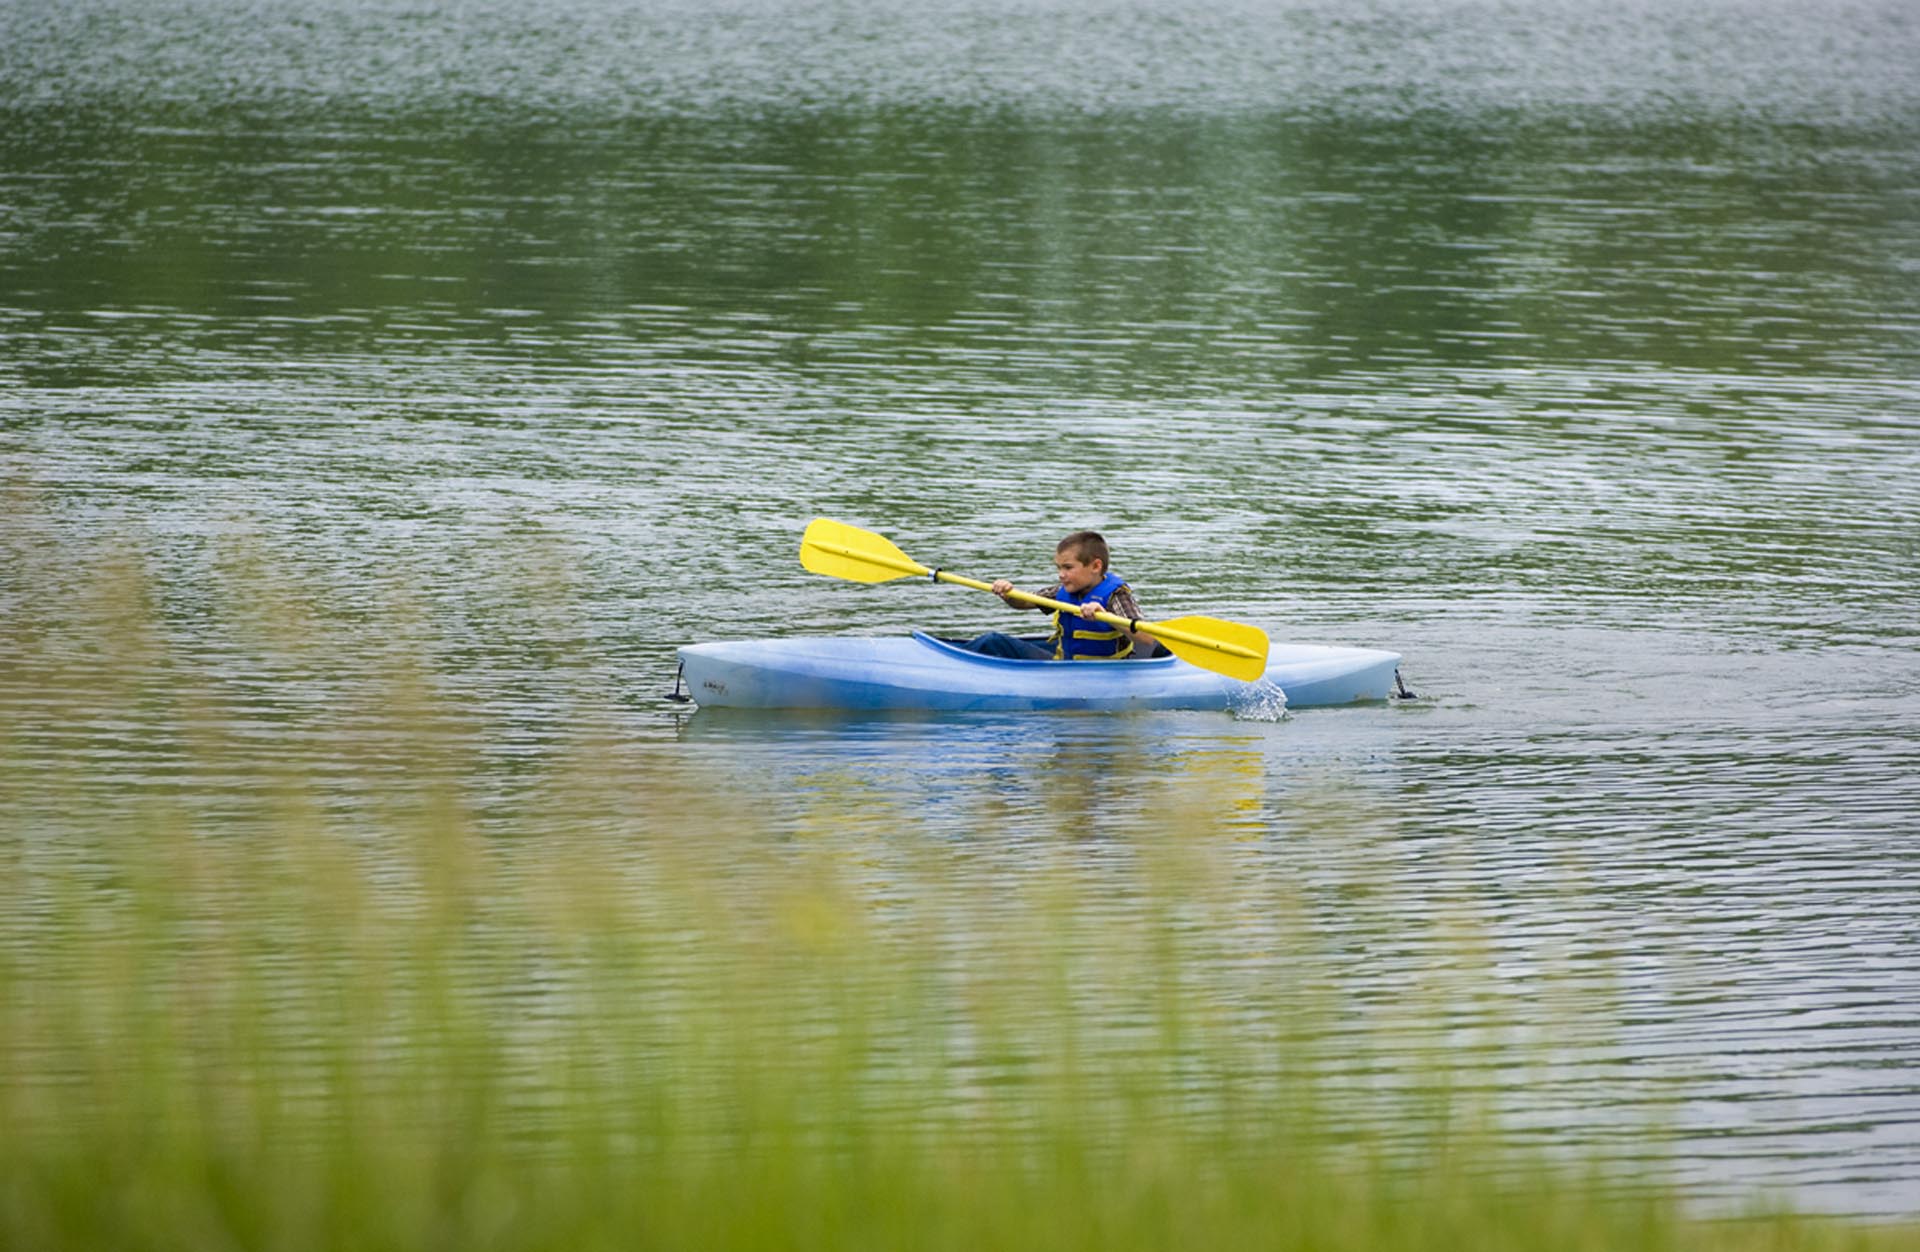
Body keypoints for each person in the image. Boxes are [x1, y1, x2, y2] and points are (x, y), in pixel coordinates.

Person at [961, 531, 1158, 660]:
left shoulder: (1116, 595)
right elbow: (1023, 603)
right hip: (1064, 666)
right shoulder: (1064, 590)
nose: (1061, 574)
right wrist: (1007, 593)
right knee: (994, 641)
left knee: (992, 642)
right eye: (1059, 567)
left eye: (1068, 567)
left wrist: (1106, 614)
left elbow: (1147, 638)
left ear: (1095, 566)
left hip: (1104, 673)